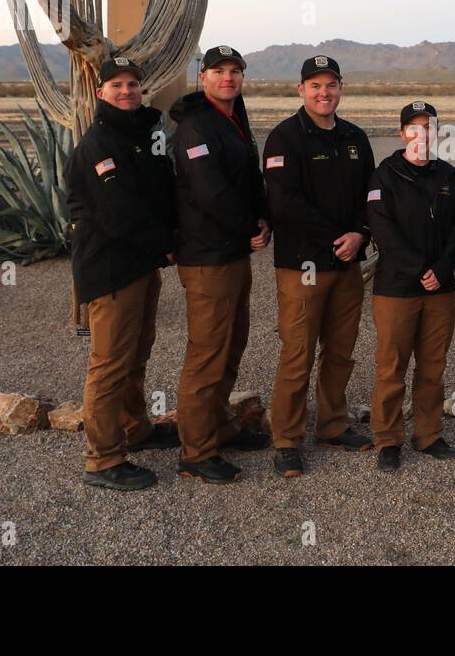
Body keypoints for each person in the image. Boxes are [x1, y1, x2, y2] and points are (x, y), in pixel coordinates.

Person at [65, 53, 178, 492]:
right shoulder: (98, 145)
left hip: (141, 265)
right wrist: (168, 246)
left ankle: (136, 430)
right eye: (118, 85)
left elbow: (158, 193)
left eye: (133, 84)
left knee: (136, 356)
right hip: (111, 270)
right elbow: (119, 215)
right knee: (109, 365)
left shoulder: (138, 135)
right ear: (101, 92)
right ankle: (103, 458)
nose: (127, 91)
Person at [264, 55, 375, 477]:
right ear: (301, 90)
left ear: (341, 89)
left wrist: (361, 233)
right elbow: (284, 204)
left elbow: (373, 194)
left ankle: (332, 425)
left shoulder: (354, 137)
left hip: (348, 265)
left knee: (341, 351)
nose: (323, 93)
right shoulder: (284, 138)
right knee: (298, 352)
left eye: (331, 85)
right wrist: (338, 236)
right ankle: (287, 439)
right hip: (303, 266)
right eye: (315, 85)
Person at [169, 44, 272, 484]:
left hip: (232, 253)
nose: (228, 77)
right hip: (208, 256)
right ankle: (196, 450)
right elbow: (210, 191)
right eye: (219, 71)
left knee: (232, 344)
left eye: (235, 71)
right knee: (207, 353)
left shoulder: (232, 118)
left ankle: (220, 427)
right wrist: (248, 224)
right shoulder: (195, 126)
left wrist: (263, 217)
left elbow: (248, 179)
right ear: (203, 76)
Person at [365, 101, 455, 472]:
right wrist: (418, 268)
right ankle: (387, 438)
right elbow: (382, 229)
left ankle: (428, 434)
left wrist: (440, 269)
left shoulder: (447, 176)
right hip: (397, 287)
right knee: (391, 365)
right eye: (414, 127)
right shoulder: (384, 175)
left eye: (429, 127)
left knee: (432, 364)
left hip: (440, 287)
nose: (422, 133)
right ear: (402, 132)